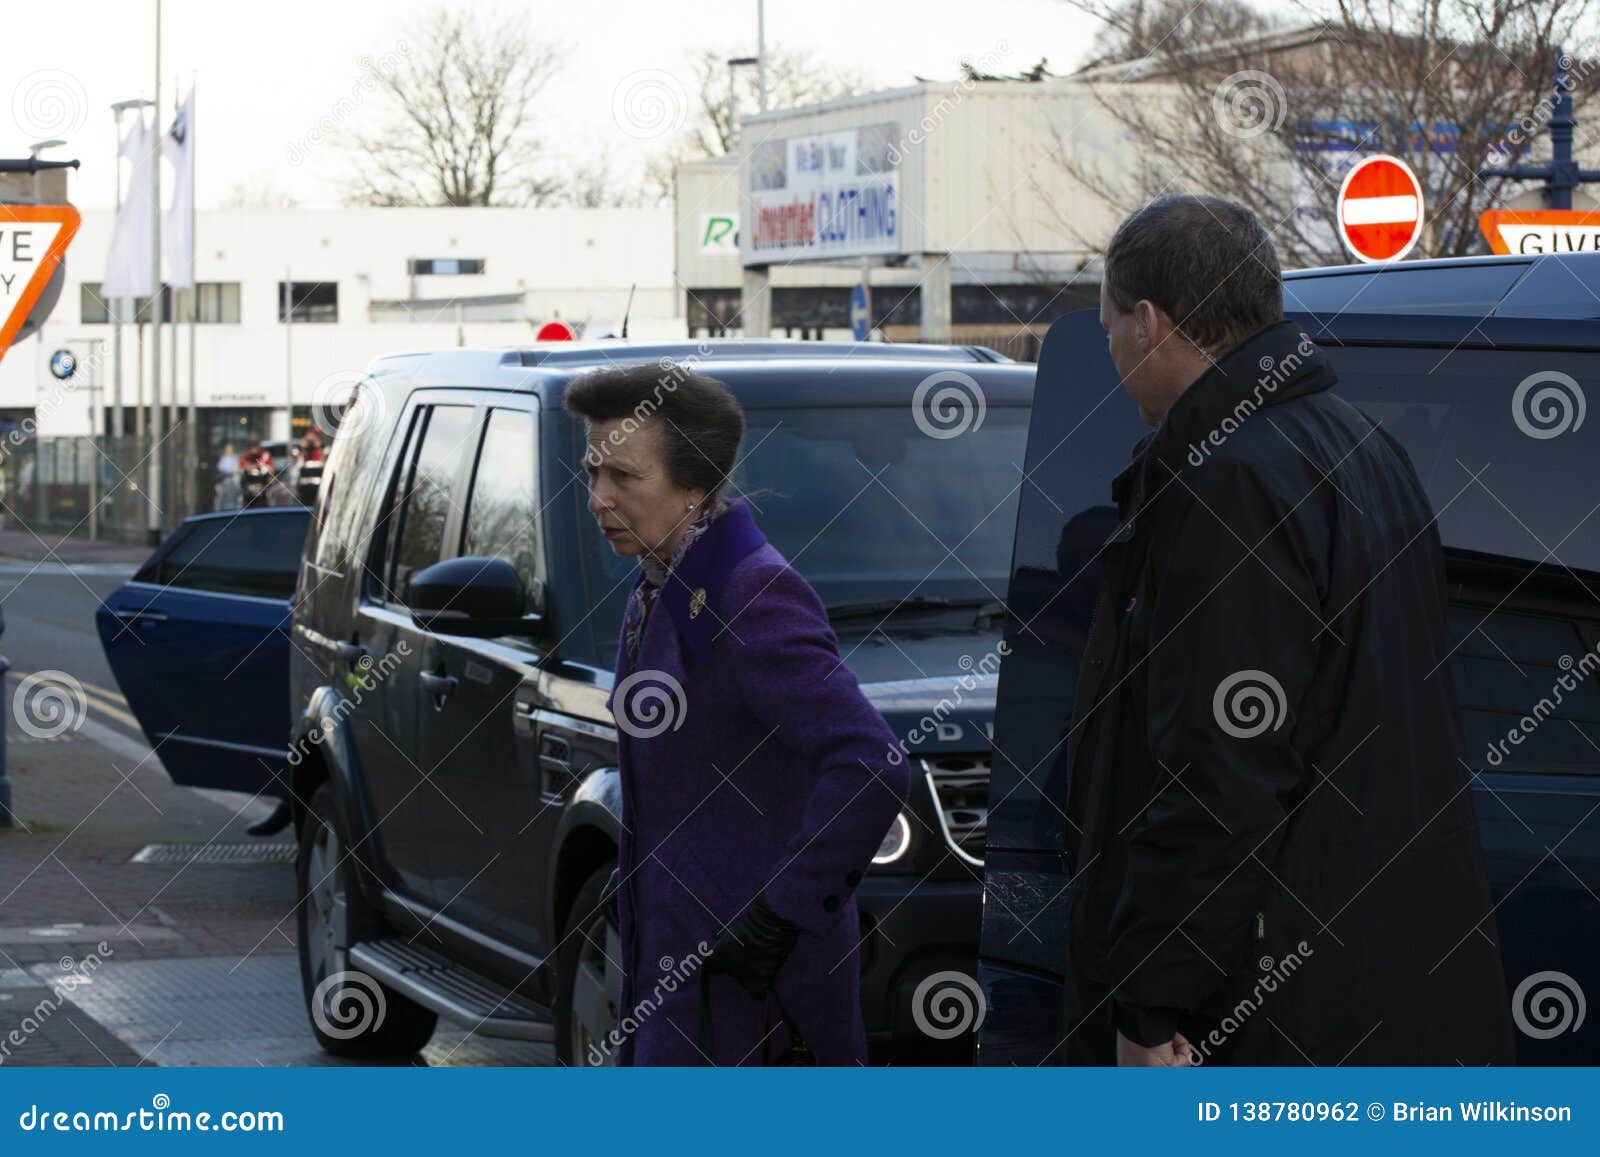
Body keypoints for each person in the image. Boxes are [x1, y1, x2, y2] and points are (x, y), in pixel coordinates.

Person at [1060, 194, 1514, 1066]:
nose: (1113, 350)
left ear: (1149, 322)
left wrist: (1153, 1003)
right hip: (1372, 975)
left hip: (1267, 1009)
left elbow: (1219, 774)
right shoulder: (1361, 446)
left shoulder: (1230, 483)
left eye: (1111, 324)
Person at [565, 364, 908, 1066]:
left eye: (623, 476)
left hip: (755, 1003)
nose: (598, 498)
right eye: (591, 471)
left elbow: (872, 763)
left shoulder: (751, 590)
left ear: (693, 487)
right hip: (680, 986)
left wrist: (779, 916)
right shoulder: (659, 581)